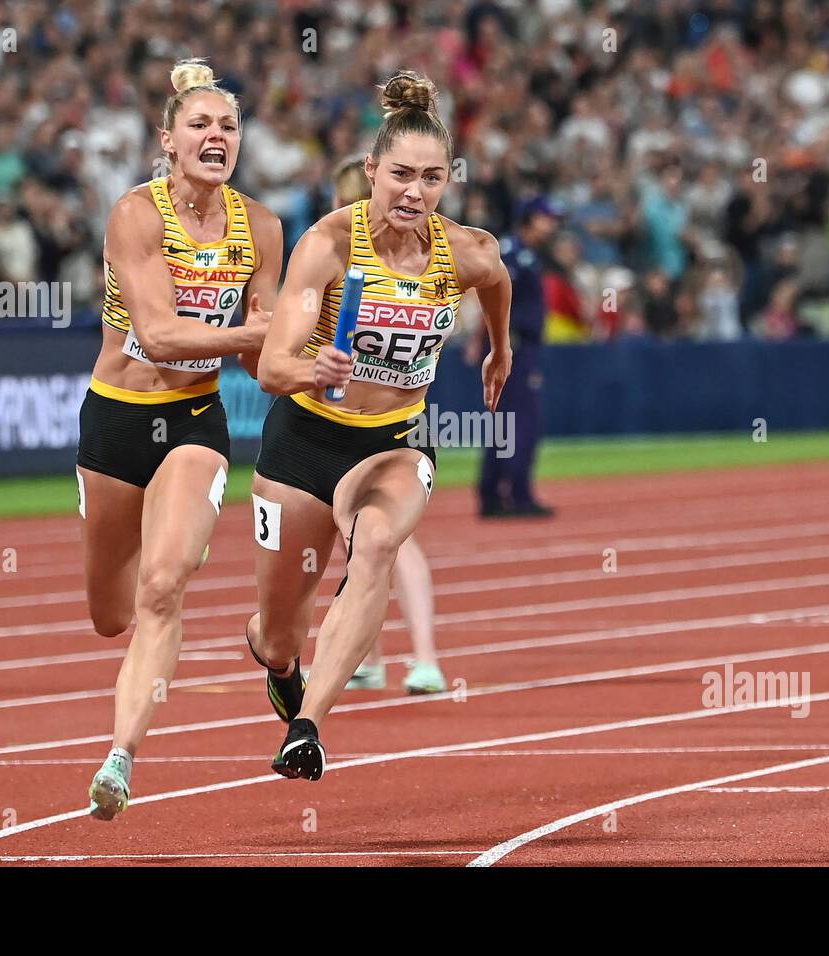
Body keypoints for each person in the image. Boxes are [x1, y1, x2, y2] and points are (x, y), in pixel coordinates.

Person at [249, 71, 511, 780]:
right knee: (278, 630)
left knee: (376, 549)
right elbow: (272, 366)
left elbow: (497, 276)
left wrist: (501, 347)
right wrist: (314, 369)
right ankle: (277, 660)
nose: (413, 192)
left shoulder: (462, 249)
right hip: (305, 439)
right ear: (371, 172)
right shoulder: (329, 245)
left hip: (395, 439)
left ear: (447, 181)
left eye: (431, 178)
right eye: (400, 174)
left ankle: (306, 727)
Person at [79, 59, 281, 819]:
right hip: (116, 417)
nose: (217, 136)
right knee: (110, 613)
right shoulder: (136, 214)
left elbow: (262, 359)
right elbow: (158, 336)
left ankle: (120, 757)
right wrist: (257, 331)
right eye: (200, 124)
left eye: (229, 126)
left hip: (195, 423)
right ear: (168, 140)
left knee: (164, 584)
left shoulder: (262, 226)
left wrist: (313, 351)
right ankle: (125, 635)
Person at [329, 157, 446, 695]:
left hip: (394, 421)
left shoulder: (398, 256)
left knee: (394, 541)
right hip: (342, 419)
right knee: (356, 541)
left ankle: (424, 659)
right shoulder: (335, 256)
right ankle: (367, 656)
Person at [472, 195, 560, 518]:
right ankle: (516, 493)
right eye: (545, 218)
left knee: (502, 424)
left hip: (511, 347)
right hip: (515, 350)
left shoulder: (522, 254)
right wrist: (490, 343)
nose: (550, 225)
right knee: (521, 422)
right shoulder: (514, 254)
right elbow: (494, 299)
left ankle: (493, 494)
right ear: (529, 218)